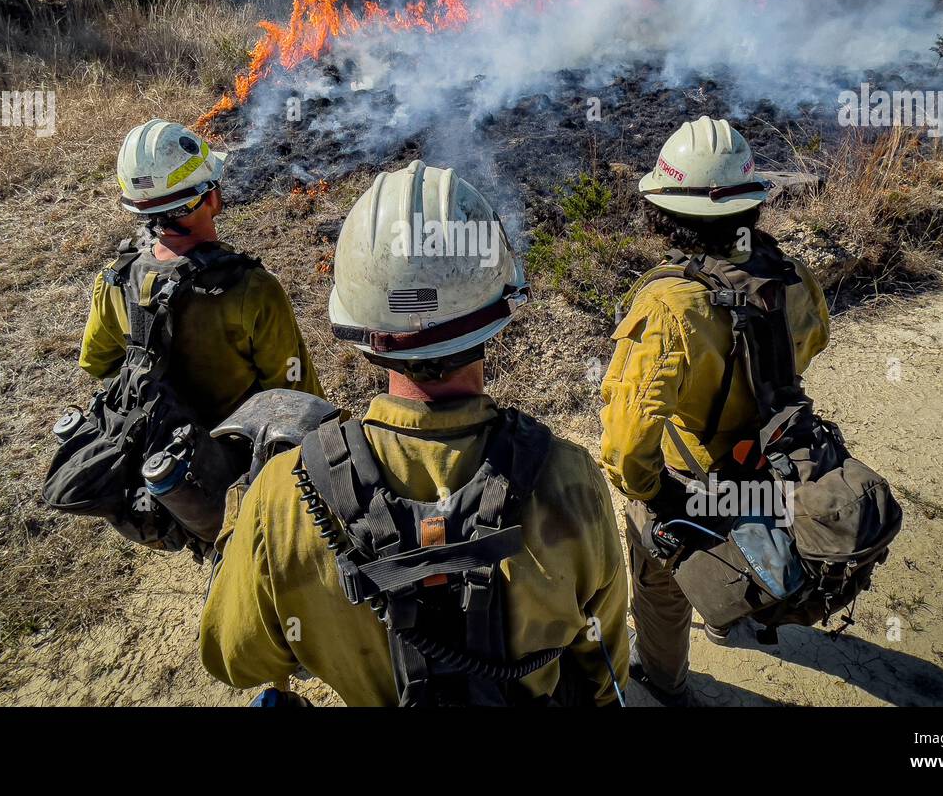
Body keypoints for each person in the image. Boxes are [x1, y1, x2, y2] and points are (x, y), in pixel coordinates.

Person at [200, 160, 628, 706]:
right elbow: (604, 667)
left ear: (358, 330)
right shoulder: (571, 479)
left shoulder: (284, 496)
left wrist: (244, 520)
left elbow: (232, 658)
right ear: (497, 313)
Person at [598, 116, 830, 705]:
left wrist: (651, 493)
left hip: (695, 473)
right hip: (771, 456)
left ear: (666, 212)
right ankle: (739, 606)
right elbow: (814, 341)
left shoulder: (669, 303)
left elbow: (627, 444)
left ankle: (664, 680)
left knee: (658, 572)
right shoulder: (793, 275)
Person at [79, 118, 323, 425]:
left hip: (159, 456)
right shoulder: (252, 289)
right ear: (211, 197)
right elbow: (297, 395)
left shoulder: (114, 280)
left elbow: (97, 361)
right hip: (243, 461)